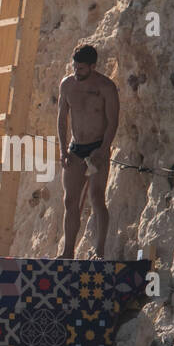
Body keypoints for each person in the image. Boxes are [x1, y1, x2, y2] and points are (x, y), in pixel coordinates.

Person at [57, 44, 120, 259]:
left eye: (82, 69)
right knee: (69, 201)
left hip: (97, 148)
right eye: (75, 67)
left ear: (93, 66)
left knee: (96, 197)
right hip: (75, 148)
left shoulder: (106, 87)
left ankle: (99, 250)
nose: (77, 72)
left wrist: (103, 150)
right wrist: (63, 150)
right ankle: (68, 252)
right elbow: (61, 118)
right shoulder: (67, 85)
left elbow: (113, 121)